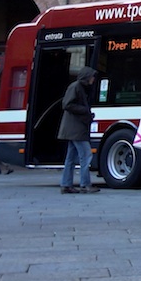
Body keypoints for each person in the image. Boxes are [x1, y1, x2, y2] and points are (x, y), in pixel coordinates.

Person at [58, 66, 99, 194]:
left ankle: (66, 184)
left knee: (71, 157)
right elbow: (67, 104)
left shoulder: (78, 87)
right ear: (87, 77)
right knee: (86, 155)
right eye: (92, 76)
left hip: (74, 128)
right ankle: (85, 184)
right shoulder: (76, 87)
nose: (93, 79)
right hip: (76, 128)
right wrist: (85, 111)